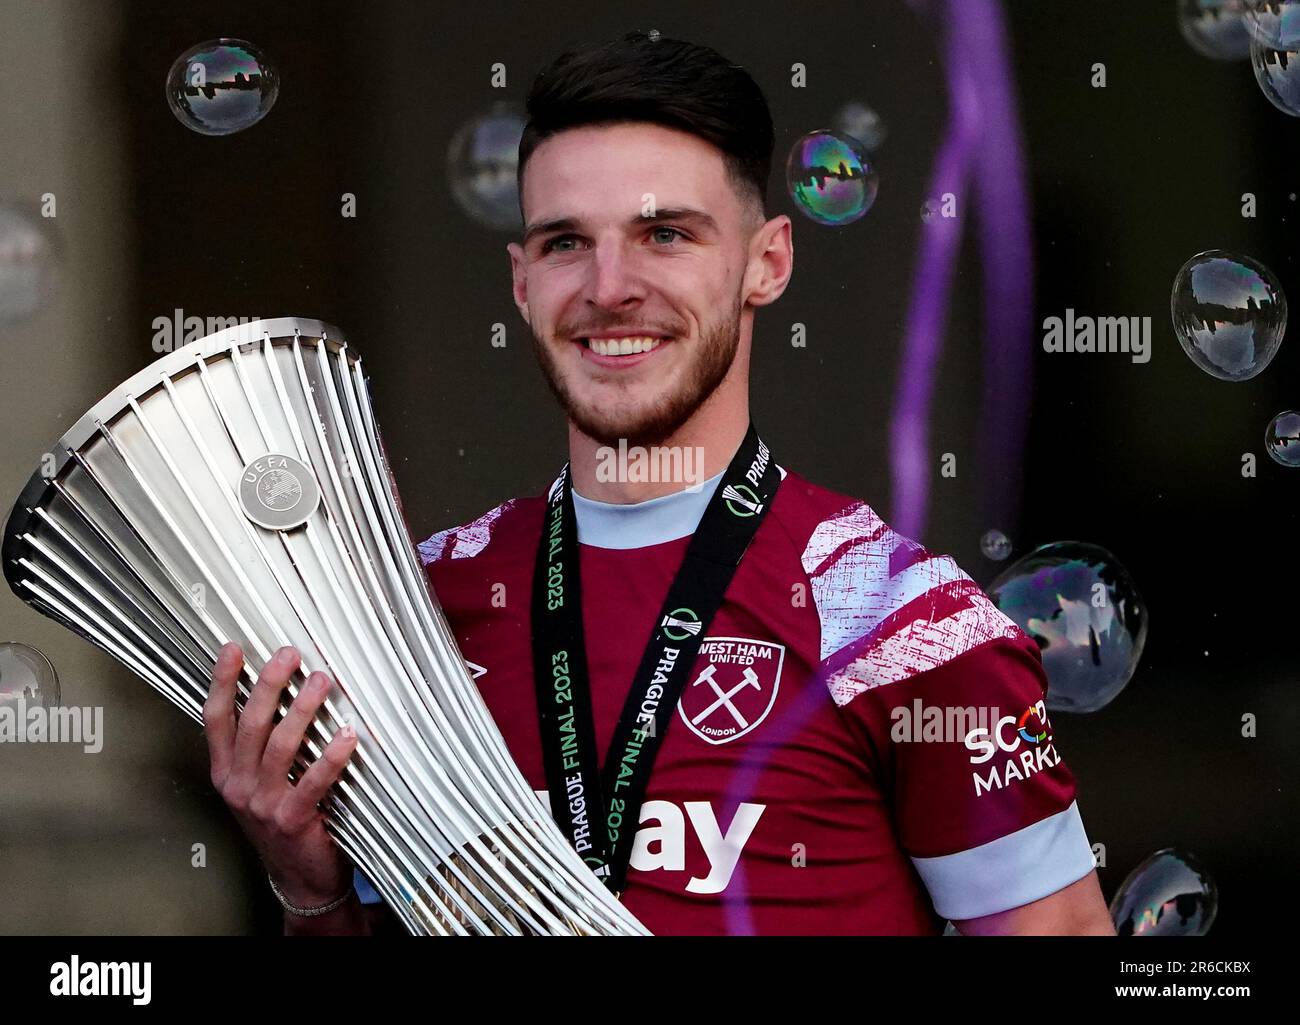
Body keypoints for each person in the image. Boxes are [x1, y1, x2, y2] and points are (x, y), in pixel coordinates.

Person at [205, 29, 1115, 936]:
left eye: (665, 234)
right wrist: (309, 890)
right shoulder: (411, 616)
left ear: (769, 261)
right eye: (566, 243)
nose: (611, 287)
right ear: (521, 282)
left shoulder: (904, 624)